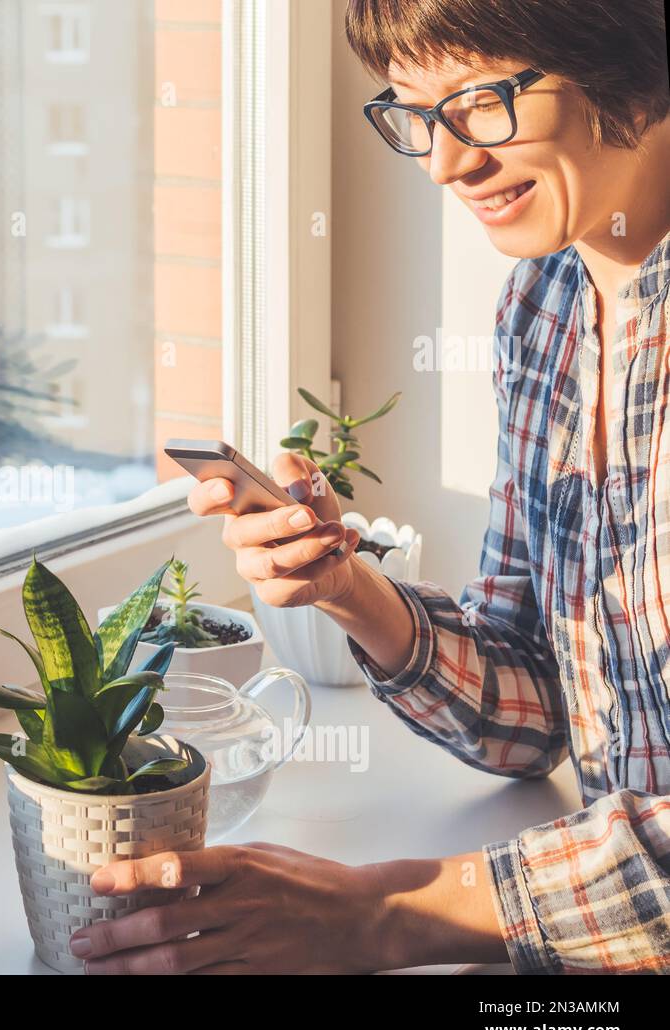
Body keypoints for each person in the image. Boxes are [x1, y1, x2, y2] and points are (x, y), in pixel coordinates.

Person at [69, 0, 670, 974]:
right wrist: (346, 588)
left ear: (628, 53)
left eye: (480, 103)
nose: (444, 163)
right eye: (415, 113)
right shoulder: (543, 307)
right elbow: (538, 715)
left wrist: (383, 910)